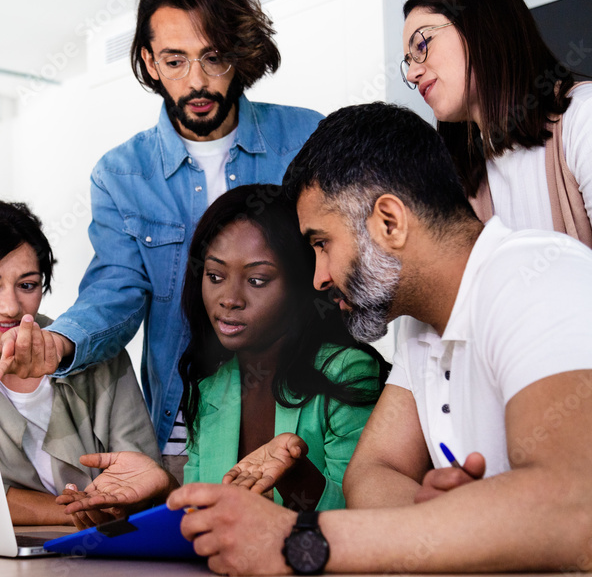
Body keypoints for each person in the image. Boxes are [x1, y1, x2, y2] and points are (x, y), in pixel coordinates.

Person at [163, 103, 592, 575]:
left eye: (322, 243)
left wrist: (300, 543)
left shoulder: (541, 280)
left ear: (389, 221)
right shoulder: (420, 323)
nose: (319, 278)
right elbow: (373, 473)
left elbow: (573, 519)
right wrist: (467, 520)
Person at [0, 0, 324, 478]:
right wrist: (62, 343)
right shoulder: (122, 174)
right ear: (148, 61)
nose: (197, 82)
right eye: (175, 61)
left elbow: (343, 261)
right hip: (185, 430)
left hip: (306, 411)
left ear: (238, 54)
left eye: (213, 59)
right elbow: (117, 290)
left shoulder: (306, 139)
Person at [55, 184, 386, 525]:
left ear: (301, 283)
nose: (229, 298)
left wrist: (296, 476)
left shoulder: (347, 372)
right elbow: (207, 520)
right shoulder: (212, 386)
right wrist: (162, 491)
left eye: (257, 280)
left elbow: (371, 523)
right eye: (214, 276)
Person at [0, 200, 160, 526]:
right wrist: (74, 513)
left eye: (27, 285)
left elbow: (145, 482)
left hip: (103, 554)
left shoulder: (95, 351)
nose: (10, 307)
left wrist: (118, 506)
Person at [400, 0, 592, 289]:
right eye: (408, 61)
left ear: (481, 29)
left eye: (422, 45)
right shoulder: (462, 177)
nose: (413, 73)